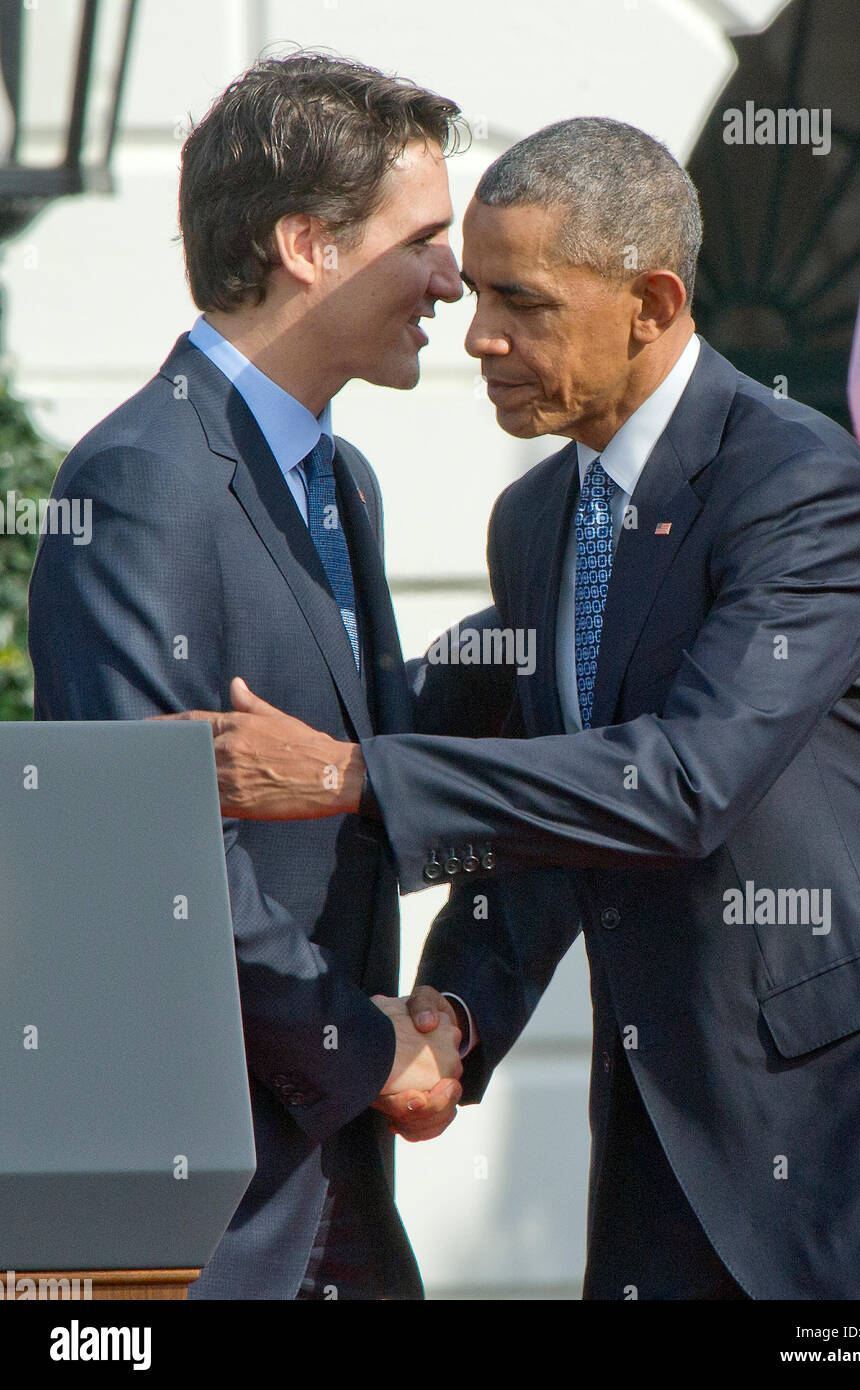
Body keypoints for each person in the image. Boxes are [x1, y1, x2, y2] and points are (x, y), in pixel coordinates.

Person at [173, 117, 860, 1299]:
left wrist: (350, 773)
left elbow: (680, 783)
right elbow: (558, 805)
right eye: (476, 291)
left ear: (649, 303)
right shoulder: (539, 520)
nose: (478, 335)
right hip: (656, 1127)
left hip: (857, 1135)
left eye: (523, 302)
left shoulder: (803, 494)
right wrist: (458, 1011)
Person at [27, 51, 470, 1301]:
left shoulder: (344, 480)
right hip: (211, 1207)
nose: (450, 278)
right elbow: (155, 852)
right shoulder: (142, 482)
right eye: (422, 239)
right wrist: (366, 1043)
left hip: (330, 1181)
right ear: (306, 244)